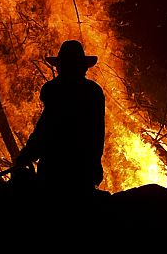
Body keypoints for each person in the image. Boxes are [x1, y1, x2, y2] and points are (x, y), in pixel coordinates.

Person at [15, 40, 106, 196]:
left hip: (54, 172)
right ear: (83, 67)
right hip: (83, 172)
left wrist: (26, 156)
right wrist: (95, 166)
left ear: (60, 67)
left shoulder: (55, 91)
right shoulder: (94, 92)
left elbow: (45, 129)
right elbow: (97, 134)